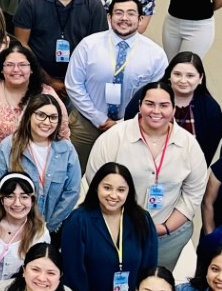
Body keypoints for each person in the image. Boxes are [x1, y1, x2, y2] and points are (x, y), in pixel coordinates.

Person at [86, 80, 208, 271]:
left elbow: (193, 194)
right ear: (140, 105)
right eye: (150, 104)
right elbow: (95, 183)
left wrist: (165, 228)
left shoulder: (189, 145)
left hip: (167, 236)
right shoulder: (113, 138)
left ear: (174, 109)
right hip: (115, 231)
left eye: (164, 105)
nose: (156, 111)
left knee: (153, 287)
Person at [63, 0, 167, 163]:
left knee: (121, 177)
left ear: (140, 19)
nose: (124, 18)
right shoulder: (88, 45)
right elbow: (73, 84)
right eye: (119, 13)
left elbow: (158, 96)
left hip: (133, 128)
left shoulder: (156, 55)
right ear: (109, 18)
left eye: (131, 13)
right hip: (86, 123)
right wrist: (99, 118)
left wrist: (123, 123)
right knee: (74, 171)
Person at [56, 162, 159, 291]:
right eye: (107, 188)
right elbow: (73, 272)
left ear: (129, 191)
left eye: (121, 190)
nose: (113, 195)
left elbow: (149, 269)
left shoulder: (142, 220)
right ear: (96, 187)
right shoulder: (79, 220)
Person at [11, 0, 104, 91]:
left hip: (80, 82)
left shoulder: (93, 4)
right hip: (34, 77)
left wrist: (74, 82)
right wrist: (48, 80)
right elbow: (21, 44)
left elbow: (98, 49)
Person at [0, 93, 81, 232]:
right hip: (14, 226)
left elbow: (72, 192)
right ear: (29, 116)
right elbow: (0, 188)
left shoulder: (67, 149)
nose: (47, 122)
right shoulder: (8, 146)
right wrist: (19, 222)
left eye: (53, 118)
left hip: (53, 228)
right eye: (41, 115)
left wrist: (49, 227)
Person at [128, 50, 222, 162]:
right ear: (169, 75)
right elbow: (129, 126)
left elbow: (207, 152)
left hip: (184, 171)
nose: (183, 81)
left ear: (200, 78)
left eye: (190, 76)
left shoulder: (211, 110)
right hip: (141, 161)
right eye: (177, 74)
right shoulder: (147, 94)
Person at [0, 43, 61, 158]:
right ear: (1, 68)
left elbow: (62, 135)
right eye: (9, 65)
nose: (16, 70)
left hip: (36, 171)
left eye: (22, 65)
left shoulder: (47, 94)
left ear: (31, 69)